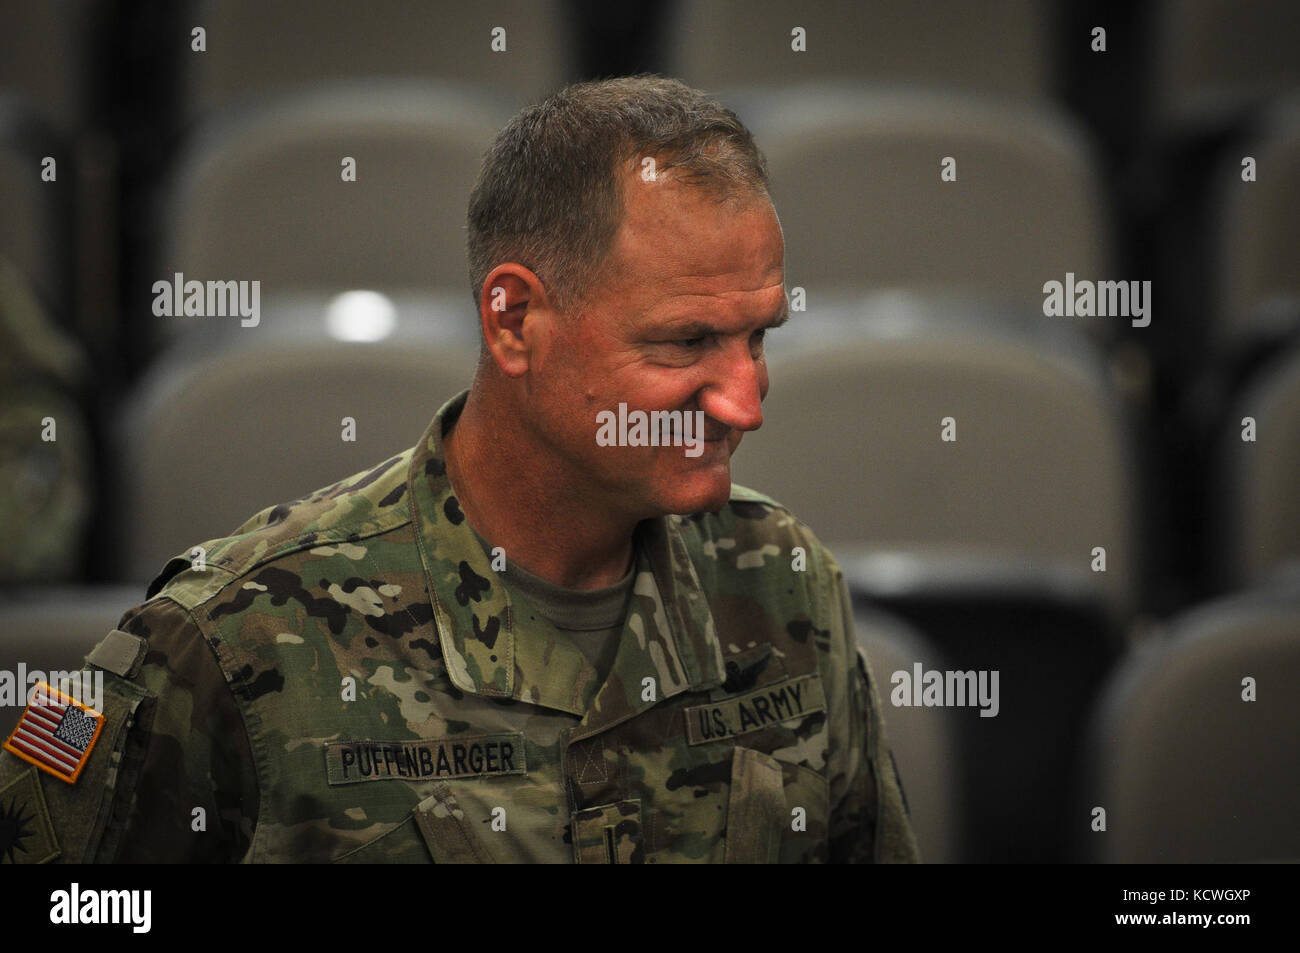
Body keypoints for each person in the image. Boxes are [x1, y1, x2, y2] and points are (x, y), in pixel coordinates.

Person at [0, 75, 919, 864]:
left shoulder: (785, 585)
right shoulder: (233, 640)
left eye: (758, 338)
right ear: (514, 320)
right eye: (687, 342)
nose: (745, 403)